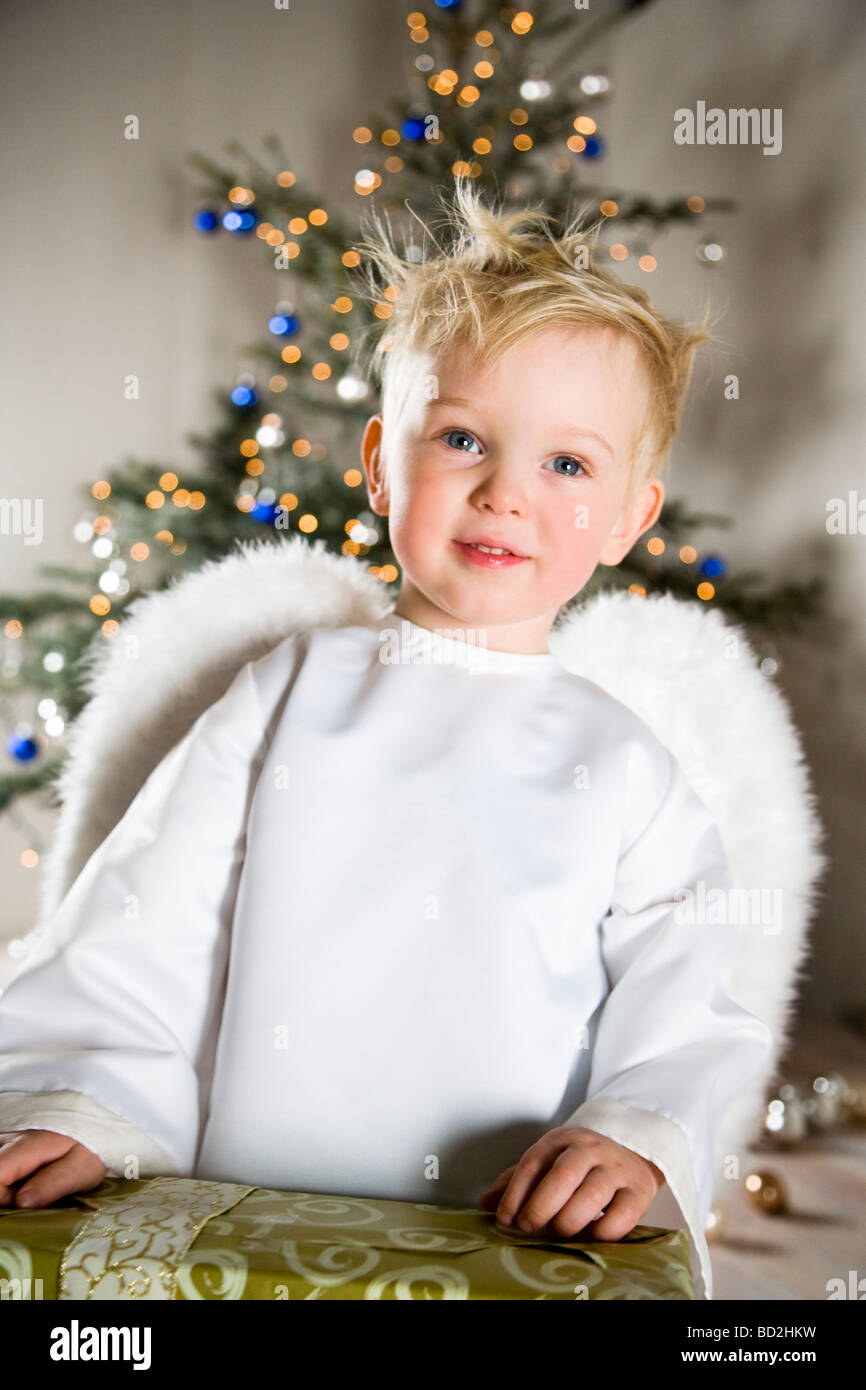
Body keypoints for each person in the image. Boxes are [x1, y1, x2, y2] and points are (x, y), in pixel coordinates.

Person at [0, 178, 772, 1300]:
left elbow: (686, 982)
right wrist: (93, 1102)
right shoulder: (285, 692)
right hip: (250, 1233)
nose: (505, 492)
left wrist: (635, 1127)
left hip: (499, 1240)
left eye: (566, 463)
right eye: (461, 437)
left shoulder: (621, 763)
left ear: (626, 520)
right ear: (377, 461)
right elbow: (149, 915)